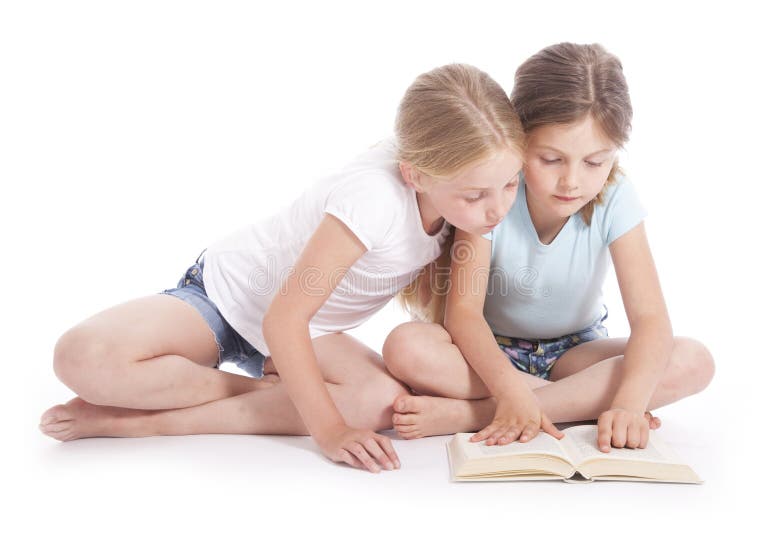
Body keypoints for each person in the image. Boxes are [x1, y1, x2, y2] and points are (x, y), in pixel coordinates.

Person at [38, 63, 526, 473]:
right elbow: (281, 317)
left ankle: (141, 421)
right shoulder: (373, 200)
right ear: (415, 174)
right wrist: (327, 427)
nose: (498, 208)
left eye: (511, 184)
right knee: (82, 357)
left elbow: (461, 313)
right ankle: (264, 394)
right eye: (477, 194)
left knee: (379, 401)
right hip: (227, 302)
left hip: (310, 335)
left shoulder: (469, 203)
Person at [383, 43, 716, 453]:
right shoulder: (498, 193)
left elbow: (650, 320)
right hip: (489, 355)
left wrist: (629, 404)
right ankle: (571, 403)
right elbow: (464, 317)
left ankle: (475, 415)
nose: (572, 182)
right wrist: (507, 386)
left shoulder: (617, 197)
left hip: (577, 354)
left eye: (595, 162)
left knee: (693, 360)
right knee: (406, 346)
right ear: (518, 140)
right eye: (551, 159)